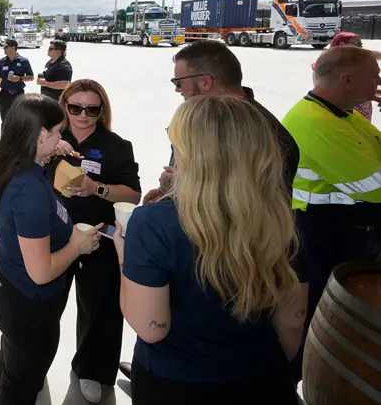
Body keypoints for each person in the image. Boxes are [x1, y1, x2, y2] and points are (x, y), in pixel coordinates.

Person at [117, 95, 307, 404]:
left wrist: (124, 254)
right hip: (262, 378)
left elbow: (151, 327)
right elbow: (291, 321)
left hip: (174, 384)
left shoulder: (153, 222)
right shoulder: (282, 219)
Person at [0, 94, 102, 405]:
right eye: (57, 131)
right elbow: (41, 272)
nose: (62, 136)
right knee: (23, 380)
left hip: (9, 286)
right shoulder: (28, 192)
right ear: (38, 136)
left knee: (13, 363)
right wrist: (77, 245)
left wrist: (50, 150)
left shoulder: (19, 161)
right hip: (27, 302)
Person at [282, 45, 381, 373]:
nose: (379, 81)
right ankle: (296, 379)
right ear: (347, 79)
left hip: (343, 230)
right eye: (374, 75)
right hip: (322, 235)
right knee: (320, 317)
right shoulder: (317, 123)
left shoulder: (343, 113)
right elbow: (374, 187)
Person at [45, 79, 140, 403]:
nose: (83, 115)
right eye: (75, 108)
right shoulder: (48, 139)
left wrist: (95, 188)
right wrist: (46, 153)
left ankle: (93, 371)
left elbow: (133, 194)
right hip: (54, 235)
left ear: (101, 111)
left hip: (99, 236)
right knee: (42, 307)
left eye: (91, 109)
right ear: (64, 108)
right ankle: (32, 364)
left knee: (101, 310)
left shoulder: (116, 146)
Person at [143, 40, 299, 205]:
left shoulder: (265, 135)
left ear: (205, 82)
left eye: (178, 82)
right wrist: (168, 195)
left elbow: (249, 207)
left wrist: (179, 187)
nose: (177, 89)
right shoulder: (202, 121)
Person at [310, 32, 373, 121]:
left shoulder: (356, 63)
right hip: (342, 115)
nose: (360, 47)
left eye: (361, 44)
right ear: (342, 45)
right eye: (357, 44)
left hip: (360, 116)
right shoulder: (326, 67)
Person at [0, 38, 34, 122]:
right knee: (5, 121)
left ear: (13, 48)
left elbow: (31, 77)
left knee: (18, 120)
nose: (4, 49)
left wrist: (19, 78)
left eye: (6, 47)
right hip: (4, 94)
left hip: (18, 94)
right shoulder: (1, 61)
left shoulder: (24, 61)